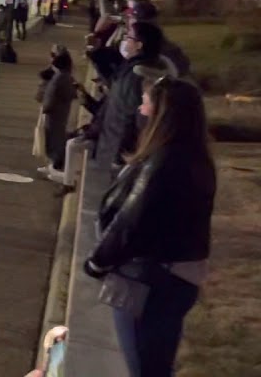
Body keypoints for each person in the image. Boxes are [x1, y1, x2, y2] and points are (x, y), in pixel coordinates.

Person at [85, 77, 215, 377]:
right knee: (157, 364)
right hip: (178, 278)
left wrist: (96, 262)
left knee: (145, 367)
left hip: (148, 281)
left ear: (161, 115)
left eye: (145, 104)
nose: (139, 110)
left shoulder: (162, 163)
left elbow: (129, 223)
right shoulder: (195, 157)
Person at [95, 21, 175, 171]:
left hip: (119, 154)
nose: (125, 41)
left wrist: (120, 155)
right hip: (117, 150)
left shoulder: (137, 75)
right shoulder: (134, 68)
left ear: (139, 45)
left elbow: (131, 116)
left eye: (129, 37)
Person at [38, 49, 77, 181]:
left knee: (53, 138)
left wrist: (46, 108)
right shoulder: (65, 77)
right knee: (55, 137)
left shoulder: (59, 78)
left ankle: (55, 165)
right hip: (59, 113)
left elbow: (51, 97)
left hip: (54, 114)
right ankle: (52, 164)